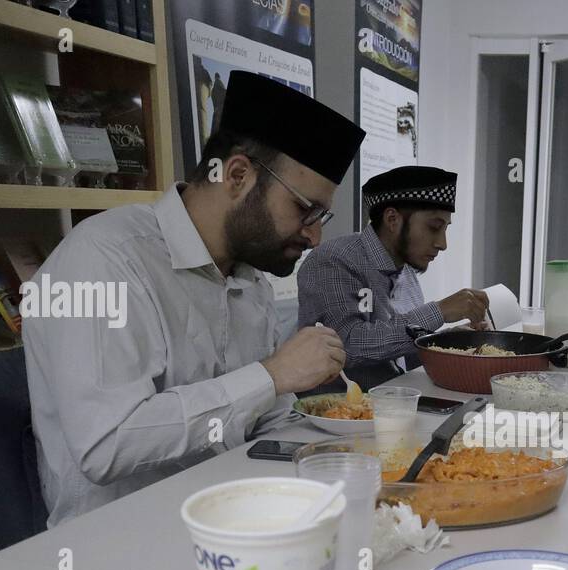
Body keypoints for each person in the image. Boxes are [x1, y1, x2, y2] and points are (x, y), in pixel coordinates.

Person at [24, 72, 365, 526]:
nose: (316, 237)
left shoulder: (251, 282)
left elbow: (265, 418)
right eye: (306, 210)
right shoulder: (106, 259)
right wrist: (271, 375)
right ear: (238, 176)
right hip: (118, 546)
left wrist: (330, 448)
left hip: (234, 521)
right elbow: (105, 445)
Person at [294, 165, 490, 391]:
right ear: (392, 219)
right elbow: (346, 346)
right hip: (339, 417)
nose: (442, 243)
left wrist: (445, 342)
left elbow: (400, 350)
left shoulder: (406, 270)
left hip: (396, 406)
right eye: (434, 227)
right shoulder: (334, 261)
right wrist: (439, 312)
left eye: (445, 228)